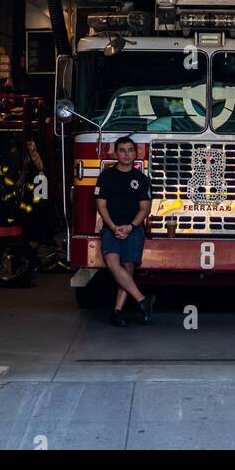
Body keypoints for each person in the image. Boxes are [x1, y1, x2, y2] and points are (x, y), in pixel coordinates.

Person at [94, 135, 154, 327]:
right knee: (112, 263)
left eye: (130, 150)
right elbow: (101, 205)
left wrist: (131, 227)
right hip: (111, 227)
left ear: (135, 153)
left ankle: (117, 312)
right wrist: (112, 227)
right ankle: (143, 301)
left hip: (133, 228)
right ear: (115, 153)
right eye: (122, 150)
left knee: (128, 267)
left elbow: (145, 208)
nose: (127, 154)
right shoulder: (106, 176)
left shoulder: (141, 179)